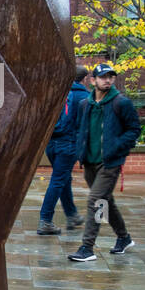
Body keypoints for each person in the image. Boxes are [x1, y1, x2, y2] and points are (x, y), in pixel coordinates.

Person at [69, 63, 141, 262]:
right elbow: (79, 129)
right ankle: (124, 238)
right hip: (90, 162)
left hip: (110, 162)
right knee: (105, 201)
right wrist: (79, 150)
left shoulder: (121, 103)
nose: (107, 80)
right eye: (103, 77)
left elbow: (134, 130)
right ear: (93, 81)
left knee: (96, 200)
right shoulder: (85, 104)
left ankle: (87, 247)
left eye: (111, 76)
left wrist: (118, 146)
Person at [37, 68, 88, 235]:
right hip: (68, 144)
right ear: (84, 79)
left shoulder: (56, 92)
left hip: (51, 144)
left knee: (64, 177)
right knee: (59, 180)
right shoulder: (84, 97)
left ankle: (72, 214)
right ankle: (45, 220)